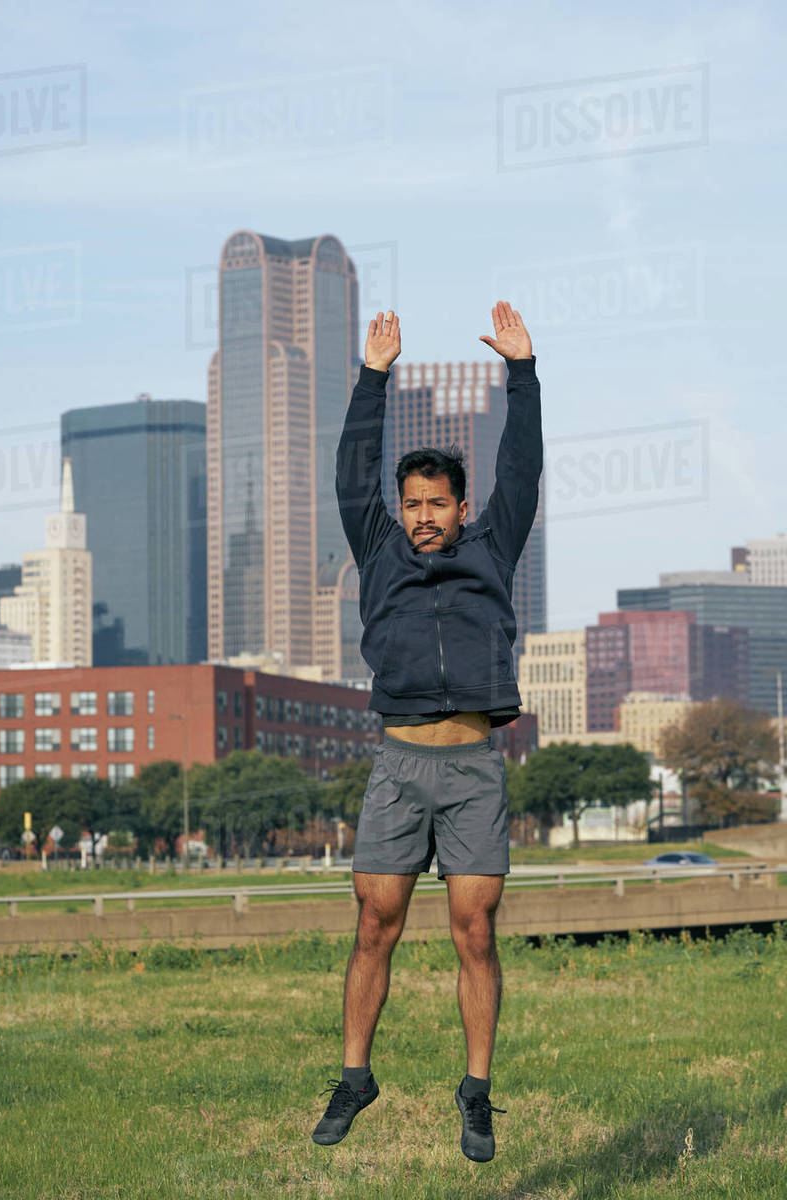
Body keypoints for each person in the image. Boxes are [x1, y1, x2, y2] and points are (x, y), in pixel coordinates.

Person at [312, 302, 542, 1162]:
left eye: (434, 505)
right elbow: (350, 476)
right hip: (400, 763)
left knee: (475, 930)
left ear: (461, 506)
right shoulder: (379, 553)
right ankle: (355, 1077)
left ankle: (476, 1092)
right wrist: (374, 378)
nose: (419, 517)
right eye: (410, 504)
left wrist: (523, 375)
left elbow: (523, 469)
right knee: (375, 922)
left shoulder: (492, 547)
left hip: (475, 765)